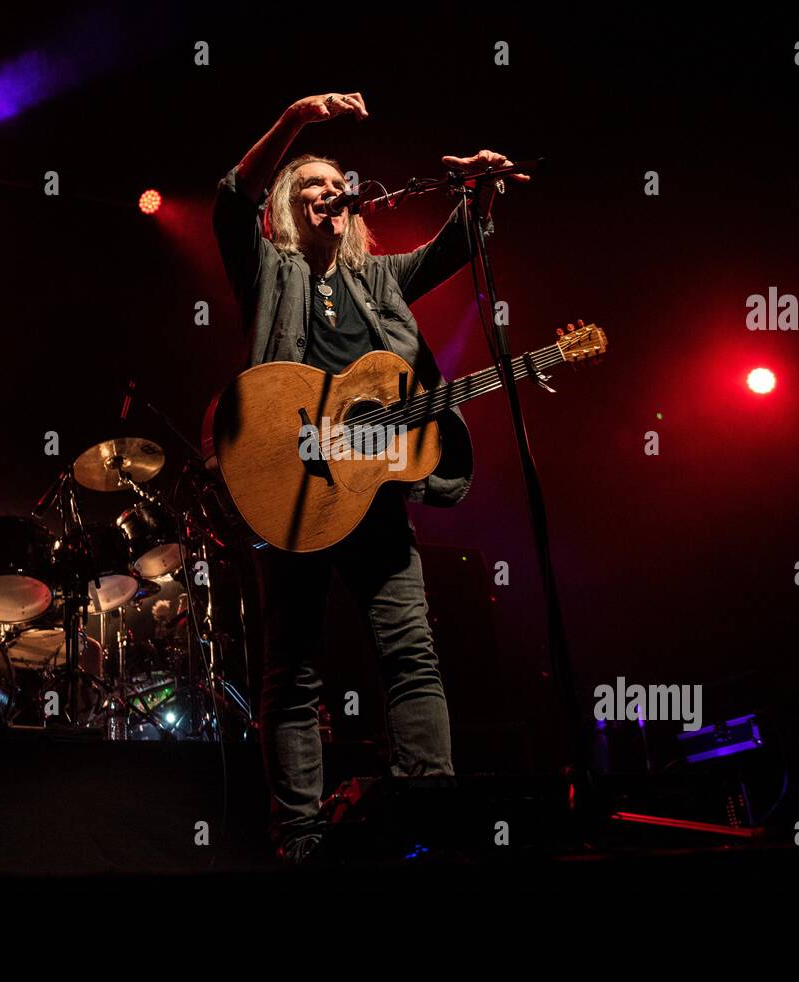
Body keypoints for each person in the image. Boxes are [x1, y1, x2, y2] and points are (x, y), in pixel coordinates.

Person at [212, 91, 526, 862]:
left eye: (334, 184)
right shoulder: (268, 269)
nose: (327, 192)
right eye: (308, 186)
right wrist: (295, 121)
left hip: (376, 496)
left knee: (411, 652)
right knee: (294, 670)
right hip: (289, 490)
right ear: (286, 209)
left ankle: (430, 805)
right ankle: (301, 835)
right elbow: (229, 196)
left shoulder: (381, 280)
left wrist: (478, 188)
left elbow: (457, 246)